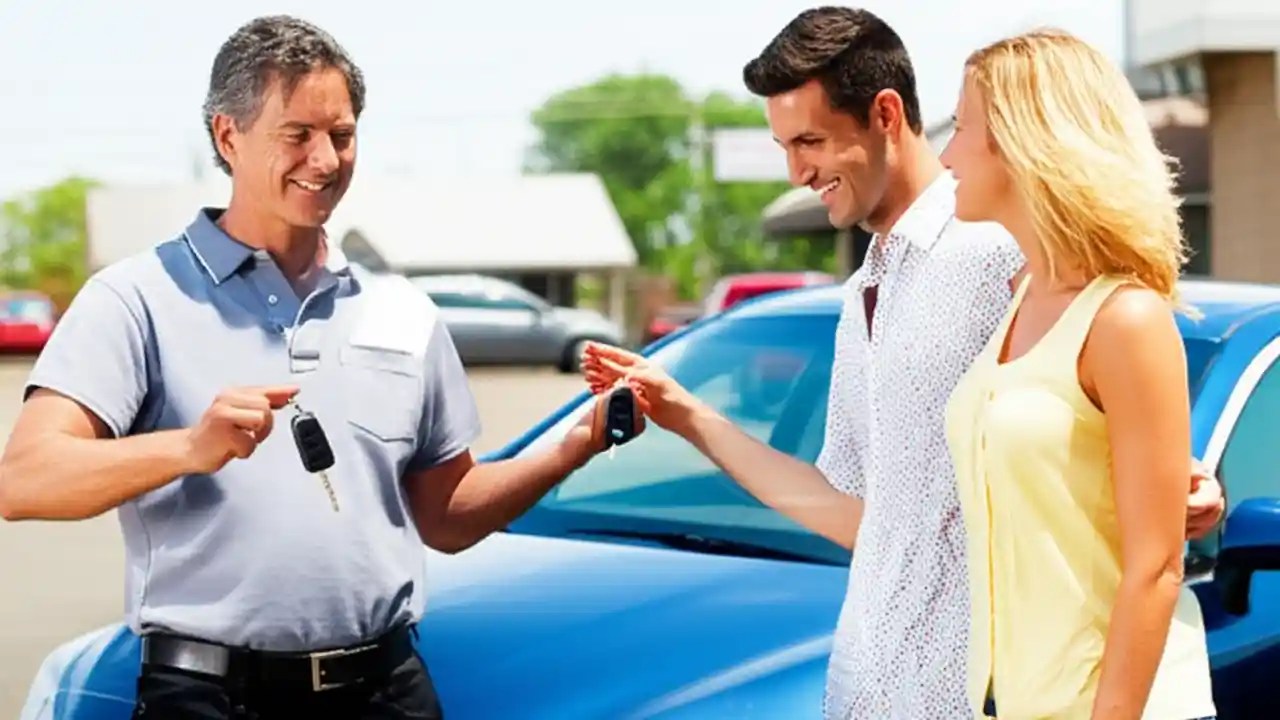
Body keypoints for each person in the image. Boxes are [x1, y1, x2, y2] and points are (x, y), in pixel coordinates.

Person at [579, 7, 1225, 719]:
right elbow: (866, 515)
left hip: (1009, 693)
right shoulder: (869, 291)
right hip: (879, 688)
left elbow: (1121, 437)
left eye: (811, 141)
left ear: (885, 113)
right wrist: (688, 414)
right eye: (783, 146)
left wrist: (1186, 490)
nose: (796, 171)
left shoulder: (1005, 250)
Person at [0, 15, 617, 720]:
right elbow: (25, 481)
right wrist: (187, 449)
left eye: (343, 135)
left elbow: (446, 515)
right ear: (227, 136)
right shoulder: (134, 298)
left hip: (388, 692)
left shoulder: (402, 309)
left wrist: (576, 445)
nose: (326, 160)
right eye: (297, 135)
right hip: (209, 699)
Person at [940, 29, 1217, 719]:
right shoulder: (1016, 302)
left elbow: (1155, 570)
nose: (946, 154)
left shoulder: (1125, 319)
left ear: (1024, 143)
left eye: (963, 128)